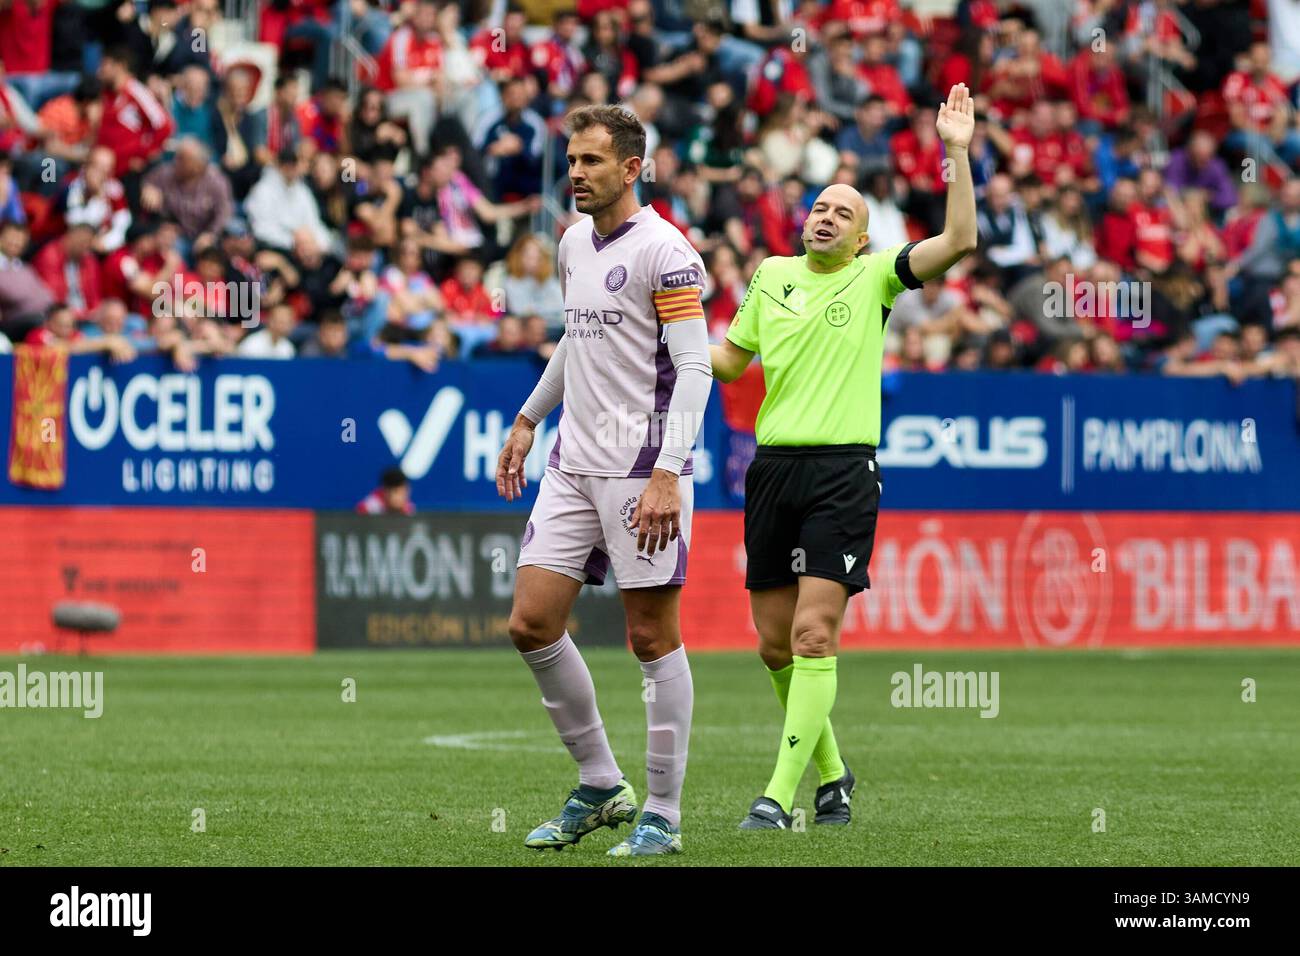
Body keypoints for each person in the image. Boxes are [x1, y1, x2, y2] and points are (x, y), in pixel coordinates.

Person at [708, 84, 979, 831]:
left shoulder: (877, 277)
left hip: (842, 475)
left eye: (844, 213)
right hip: (770, 473)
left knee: (814, 635)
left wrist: (955, 153)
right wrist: (662, 341)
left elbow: (959, 243)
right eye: (820, 208)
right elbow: (730, 362)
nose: (826, 217)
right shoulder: (770, 275)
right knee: (772, 647)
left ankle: (775, 796)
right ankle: (834, 774)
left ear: (863, 238)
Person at [493, 104, 713, 857]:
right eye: (570, 159)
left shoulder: (668, 253)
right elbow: (575, 341)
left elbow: (695, 368)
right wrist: (527, 419)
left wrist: (667, 474)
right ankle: (599, 783)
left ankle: (663, 812)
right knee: (530, 622)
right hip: (571, 461)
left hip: (639, 468)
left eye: (590, 161)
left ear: (630, 168)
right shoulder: (570, 242)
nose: (574, 173)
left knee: (650, 636)